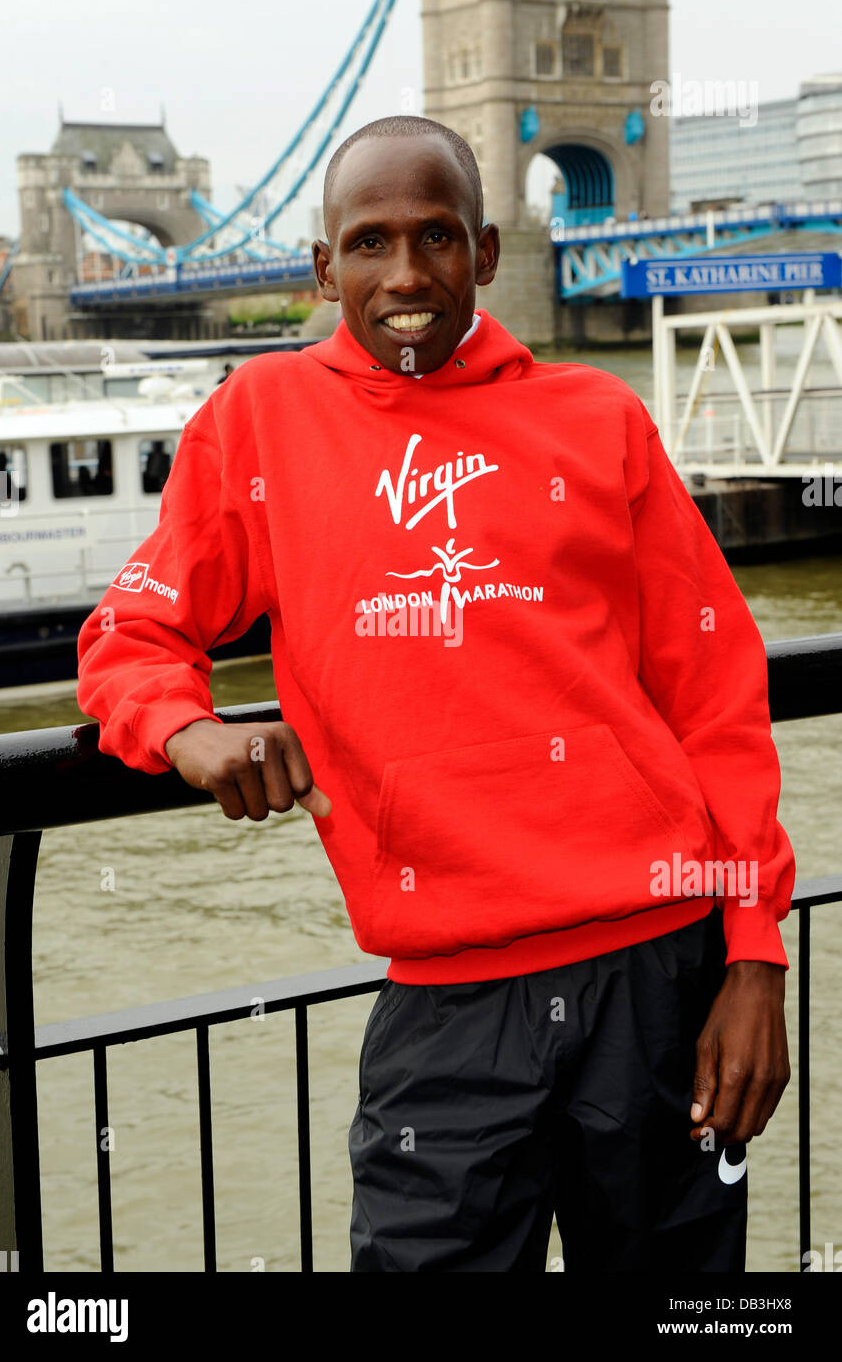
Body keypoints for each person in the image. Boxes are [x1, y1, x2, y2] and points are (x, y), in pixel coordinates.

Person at [76, 115, 795, 1274]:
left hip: (662, 974)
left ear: (487, 251)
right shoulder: (258, 422)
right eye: (368, 244)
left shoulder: (601, 420)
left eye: (436, 238)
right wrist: (189, 731)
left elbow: (715, 688)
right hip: (448, 1003)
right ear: (322, 269)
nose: (405, 276)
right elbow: (131, 631)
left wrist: (755, 952)